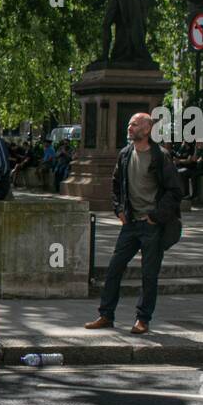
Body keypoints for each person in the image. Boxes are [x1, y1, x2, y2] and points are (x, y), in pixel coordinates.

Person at [86, 112, 181, 335]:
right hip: (130, 223)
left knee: (149, 274)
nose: (129, 127)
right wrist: (118, 209)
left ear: (147, 129)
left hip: (152, 225)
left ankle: (143, 319)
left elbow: (175, 191)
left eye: (135, 124)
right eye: (129, 123)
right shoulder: (125, 154)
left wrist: (155, 216)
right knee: (114, 269)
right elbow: (117, 183)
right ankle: (106, 315)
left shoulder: (161, 156)